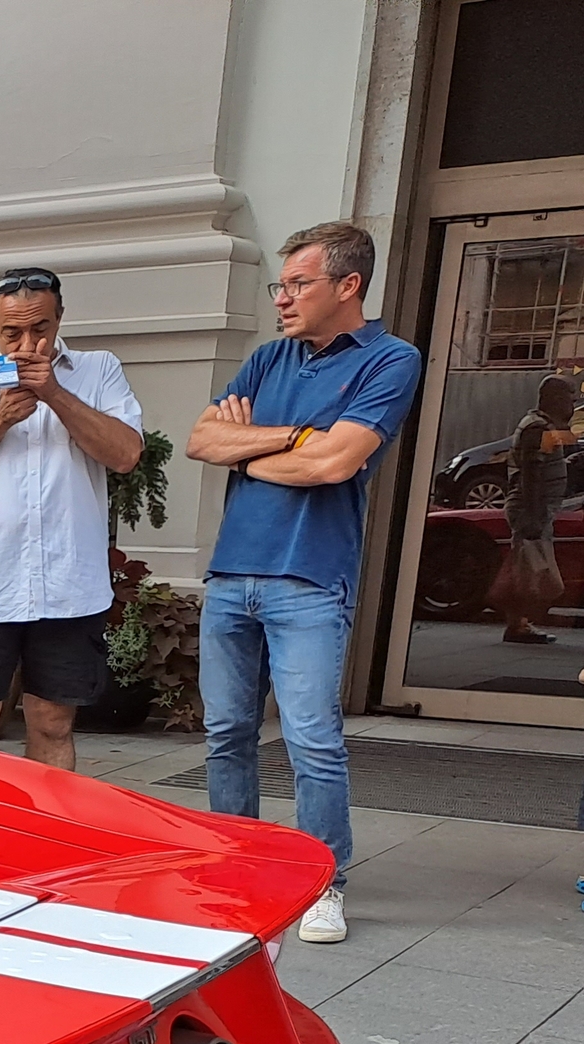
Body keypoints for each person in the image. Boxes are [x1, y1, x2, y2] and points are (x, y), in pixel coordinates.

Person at [188, 221, 423, 945]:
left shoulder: (390, 360)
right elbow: (202, 439)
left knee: (313, 740)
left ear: (348, 285)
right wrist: (295, 437)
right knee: (225, 732)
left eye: (298, 284)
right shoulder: (267, 359)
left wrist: (254, 447)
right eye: (280, 285)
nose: (283, 299)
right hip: (232, 574)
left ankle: (324, 884)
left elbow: (337, 466)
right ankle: (238, 868)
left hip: (310, 580)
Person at [0, 265, 145, 770]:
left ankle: (43, 840)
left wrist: (55, 395)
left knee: (53, 722)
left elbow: (126, 455)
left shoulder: (98, 371)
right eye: (11, 332)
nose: (26, 343)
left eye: (40, 328)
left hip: (67, 587)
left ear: (60, 320)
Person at [500, 374, 575, 645]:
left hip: (539, 509)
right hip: (531, 509)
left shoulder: (542, 426)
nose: (573, 402)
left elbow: (549, 456)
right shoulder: (536, 427)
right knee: (529, 573)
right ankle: (518, 626)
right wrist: (534, 515)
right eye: (569, 396)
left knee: (529, 571)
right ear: (554, 398)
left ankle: (519, 624)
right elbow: (531, 472)